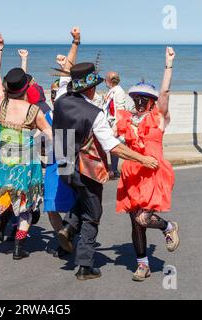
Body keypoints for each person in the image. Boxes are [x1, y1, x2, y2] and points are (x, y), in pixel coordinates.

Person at [53, 47, 160, 280]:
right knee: (93, 213)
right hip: (85, 168)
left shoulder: (60, 98)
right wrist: (143, 159)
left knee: (80, 198)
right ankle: (85, 265)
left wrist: (74, 44)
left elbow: (64, 76)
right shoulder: (95, 114)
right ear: (90, 88)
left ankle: (69, 226)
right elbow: (114, 147)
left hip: (62, 163)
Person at [0, 33, 53, 260]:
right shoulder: (34, 111)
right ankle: (18, 247)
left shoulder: (2, 103)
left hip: (4, 157)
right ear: (26, 87)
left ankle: (2, 218)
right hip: (26, 160)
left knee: (6, 191)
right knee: (26, 203)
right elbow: (50, 134)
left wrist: (0, 49)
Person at [115, 47, 180, 282]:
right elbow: (107, 138)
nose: (139, 103)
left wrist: (168, 65)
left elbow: (165, 92)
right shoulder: (126, 120)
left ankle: (168, 226)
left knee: (144, 218)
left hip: (153, 171)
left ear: (152, 102)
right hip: (131, 173)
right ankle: (143, 265)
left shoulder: (159, 118)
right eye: (136, 99)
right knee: (135, 222)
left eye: (144, 100)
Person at [43, 27, 81, 259]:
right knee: (50, 207)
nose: (55, 94)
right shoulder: (45, 113)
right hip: (50, 161)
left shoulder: (67, 105)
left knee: (70, 203)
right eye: (52, 91)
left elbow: (67, 72)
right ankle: (63, 239)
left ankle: (70, 236)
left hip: (67, 154)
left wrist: (75, 42)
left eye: (59, 90)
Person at [102, 71, 127, 180]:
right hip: (108, 123)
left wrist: (117, 125)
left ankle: (114, 170)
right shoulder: (111, 91)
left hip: (114, 124)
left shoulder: (119, 91)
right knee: (110, 146)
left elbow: (120, 108)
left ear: (109, 80)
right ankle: (112, 169)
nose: (104, 81)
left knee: (114, 147)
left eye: (105, 79)